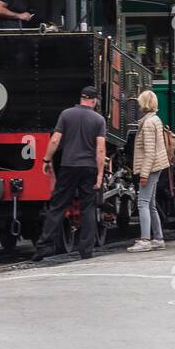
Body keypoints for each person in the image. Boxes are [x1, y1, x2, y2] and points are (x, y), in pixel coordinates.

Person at [33, 85, 107, 261]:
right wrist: (99, 174)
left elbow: (55, 140)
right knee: (88, 208)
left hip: (68, 166)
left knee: (57, 206)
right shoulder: (99, 120)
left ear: (81, 98)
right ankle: (86, 250)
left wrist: (46, 160)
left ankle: (43, 247)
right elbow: (101, 149)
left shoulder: (66, 114)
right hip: (89, 168)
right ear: (94, 100)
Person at [128, 89, 170, 253]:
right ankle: (158, 238)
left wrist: (144, 174)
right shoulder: (155, 120)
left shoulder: (148, 124)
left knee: (143, 203)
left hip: (150, 167)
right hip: (157, 166)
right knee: (151, 203)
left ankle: (145, 239)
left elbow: (149, 152)